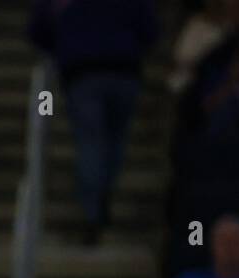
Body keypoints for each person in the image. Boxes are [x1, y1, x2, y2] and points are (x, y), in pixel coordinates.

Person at [29, 0, 158, 245]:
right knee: (111, 142)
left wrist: (63, 46)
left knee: (93, 143)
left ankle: (93, 209)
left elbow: (39, 29)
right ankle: (100, 199)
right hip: (117, 69)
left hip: (89, 71)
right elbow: (150, 30)